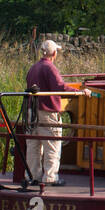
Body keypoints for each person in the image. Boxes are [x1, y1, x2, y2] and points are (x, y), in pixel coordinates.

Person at [25, 39, 70, 186]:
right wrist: (80, 92)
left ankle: (32, 176)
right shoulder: (50, 68)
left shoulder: (33, 68)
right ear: (54, 53)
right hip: (47, 111)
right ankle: (50, 177)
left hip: (32, 111)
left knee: (33, 145)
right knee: (52, 143)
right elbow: (60, 87)